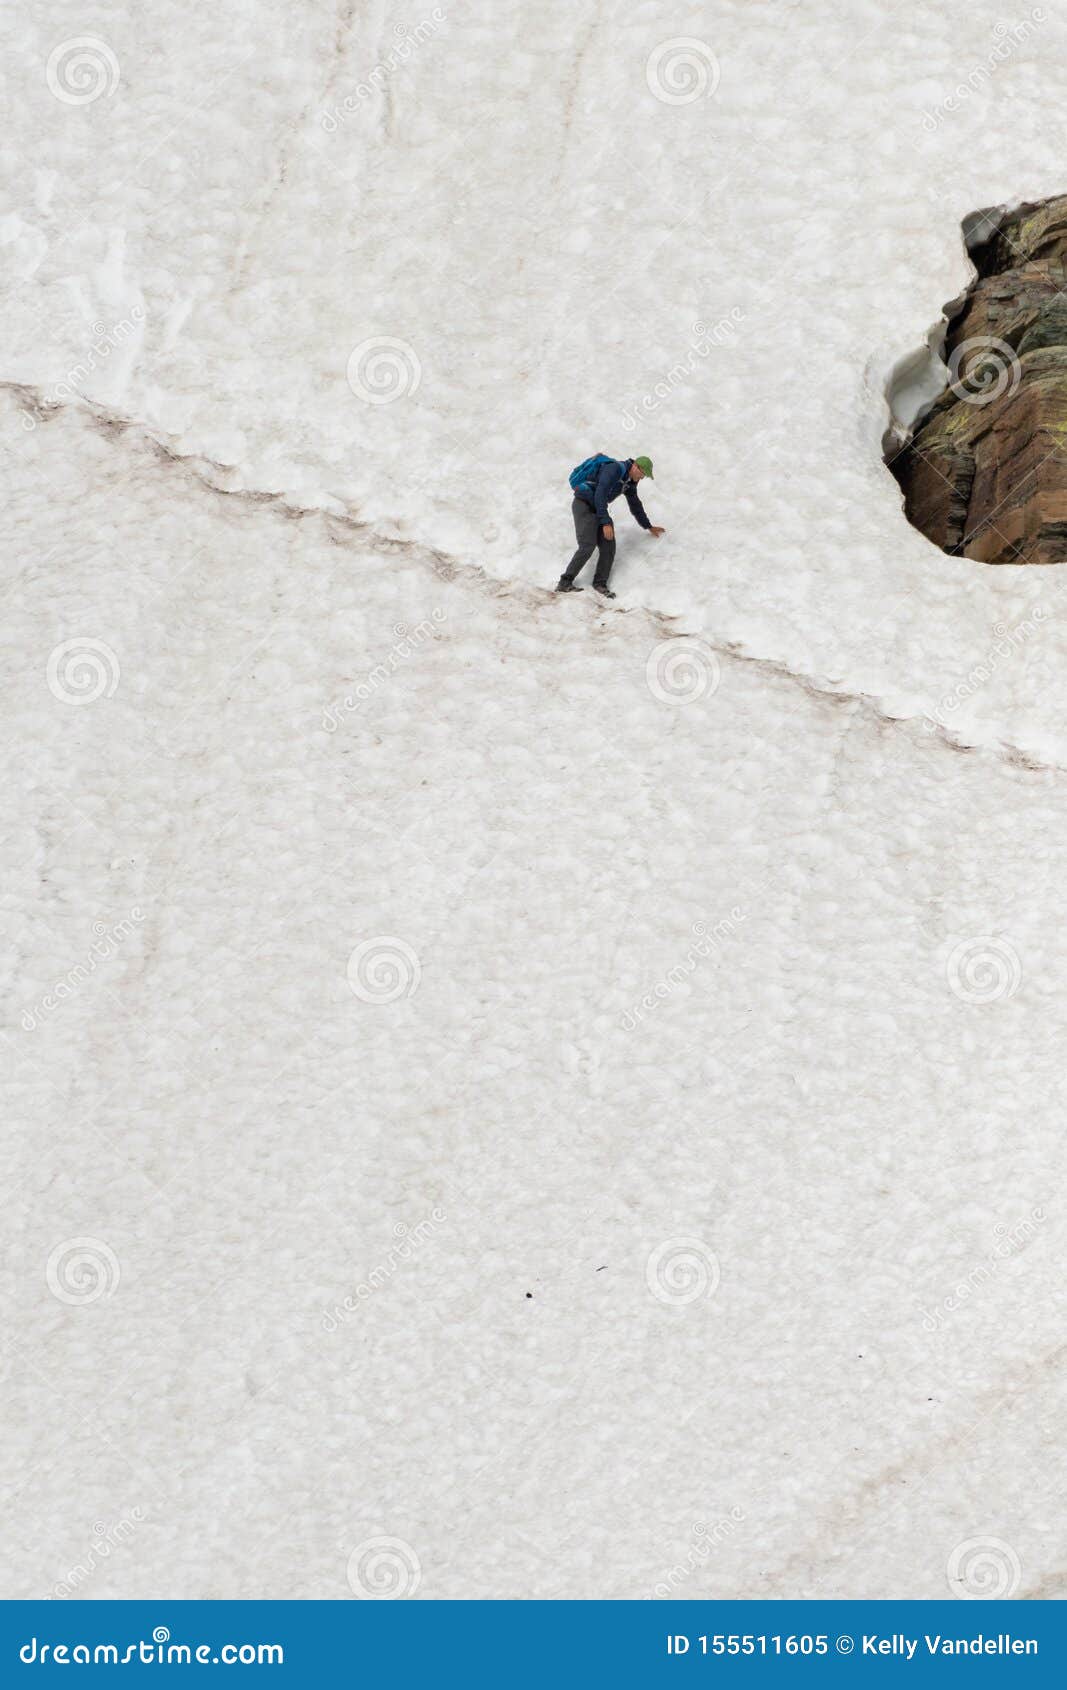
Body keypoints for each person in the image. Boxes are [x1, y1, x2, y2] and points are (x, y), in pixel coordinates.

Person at [556, 455, 664, 598]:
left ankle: (600, 584)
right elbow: (600, 494)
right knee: (587, 545)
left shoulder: (629, 482)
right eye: (642, 474)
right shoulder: (614, 469)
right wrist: (606, 522)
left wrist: (648, 526)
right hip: (584, 505)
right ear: (636, 467)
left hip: (599, 509)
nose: (642, 478)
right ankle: (564, 583)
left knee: (608, 546)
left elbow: (635, 504)